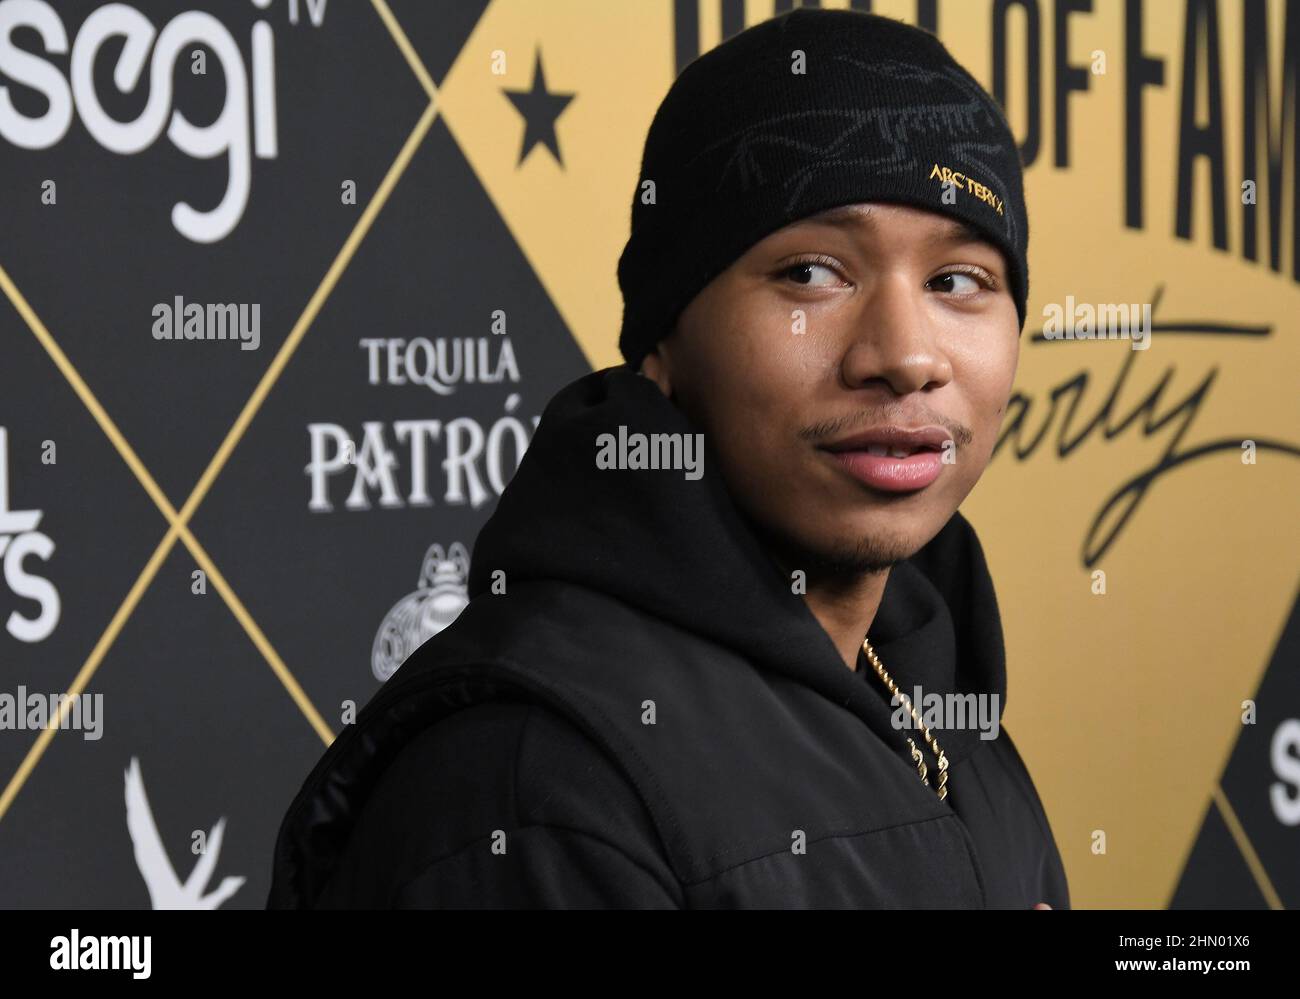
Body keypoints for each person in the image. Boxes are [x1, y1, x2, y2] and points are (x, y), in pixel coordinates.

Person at [268, 7, 1069, 909]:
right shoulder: (534, 782)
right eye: (812, 272)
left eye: (958, 281)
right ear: (665, 344)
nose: (904, 354)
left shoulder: (936, 693)